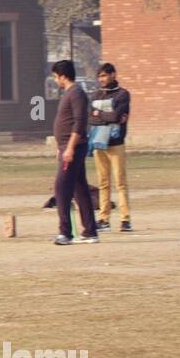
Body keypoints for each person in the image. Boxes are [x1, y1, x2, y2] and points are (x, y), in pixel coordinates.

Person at [50, 61, 97, 245]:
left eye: (55, 77)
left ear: (63, 76)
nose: (55, 80)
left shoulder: (76, 93)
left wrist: (69, 148)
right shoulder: (69, 94)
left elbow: (79, 123)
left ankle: (65, 234)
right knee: (80, 189)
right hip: (66, 147)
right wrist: (60, 146)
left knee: (61, 189)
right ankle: (90, 231)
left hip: (74, 148)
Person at [89, 63, 132, 232]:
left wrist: (99, 114)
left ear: (113, 75)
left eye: (104, 76)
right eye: (99, 76)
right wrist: (106, 117)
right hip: (99, 143)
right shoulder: (96, 94)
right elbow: (90, 119)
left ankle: (125, 219)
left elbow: (116, 116)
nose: (102, 79)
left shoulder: (123, 94)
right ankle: (103, 219)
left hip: (116, 143)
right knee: (103, 183)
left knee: (120, 182)